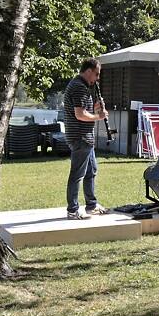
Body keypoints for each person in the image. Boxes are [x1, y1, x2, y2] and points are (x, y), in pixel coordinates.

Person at [62, 59, 108, 220]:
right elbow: (80, 114)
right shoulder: (79, 87)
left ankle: (91, 204)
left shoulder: (82, 87)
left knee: (91, 171)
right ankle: (73, 210)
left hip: (85, 138)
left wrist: (95, 109)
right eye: (96, 74)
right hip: (80, 137)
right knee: (77, 174)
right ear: (88, 71)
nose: (97, 78)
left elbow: (84, 110)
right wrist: (99, 116)